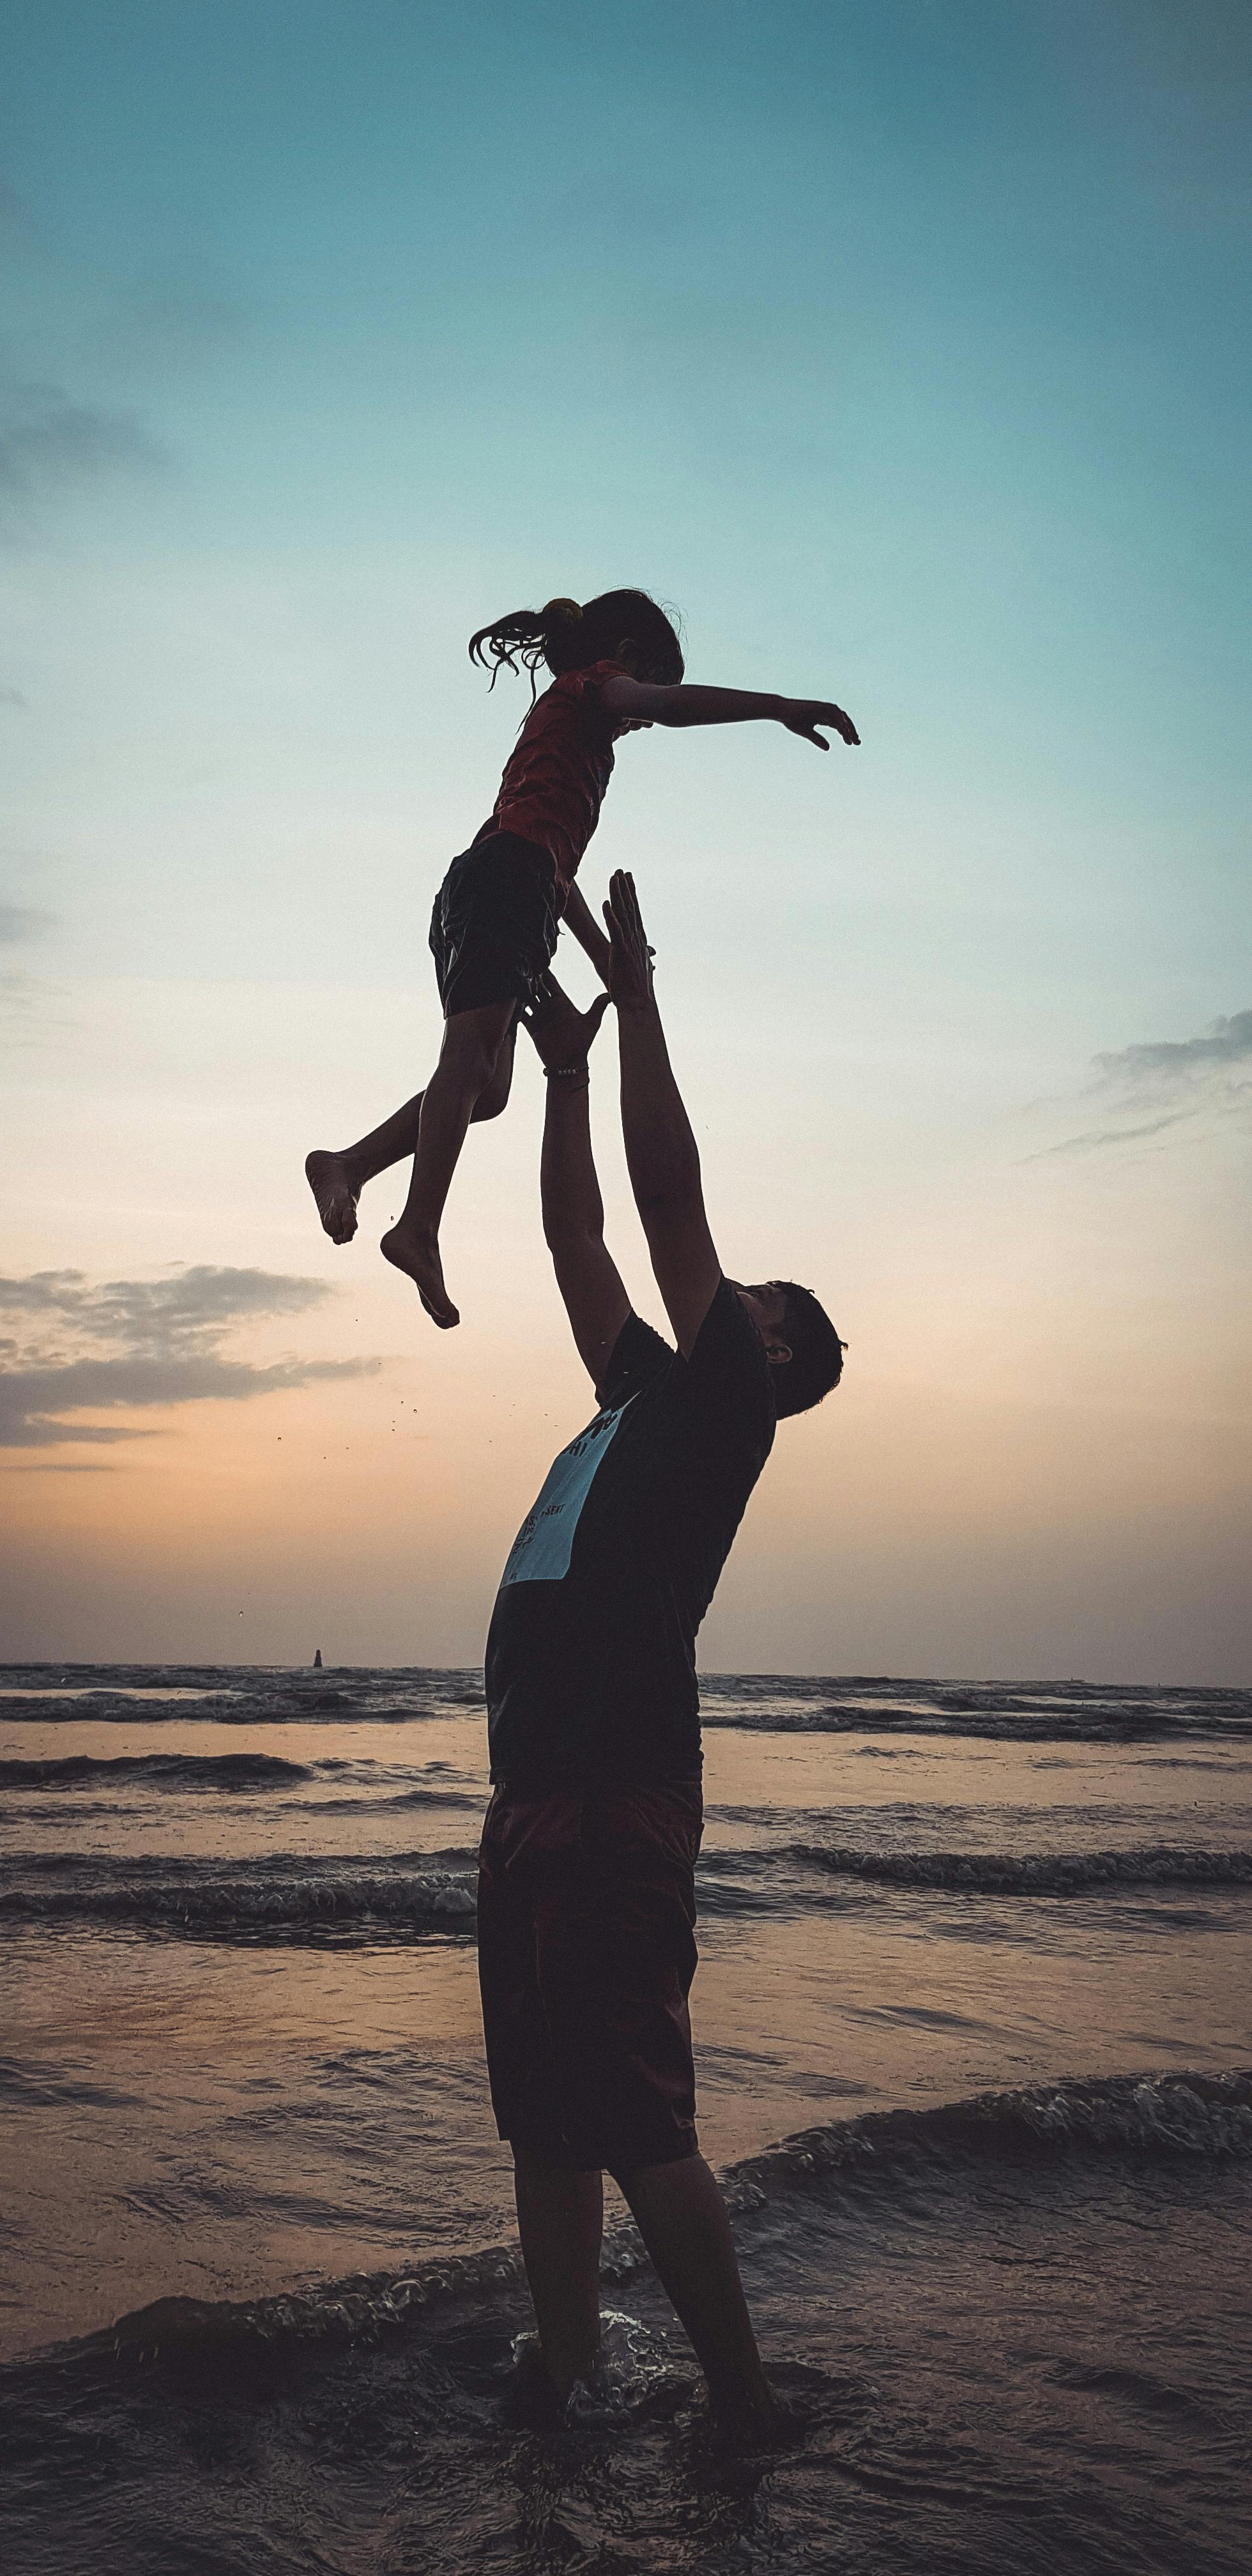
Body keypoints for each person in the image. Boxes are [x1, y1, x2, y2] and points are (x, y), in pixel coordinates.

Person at [477, 870, 845, 2441]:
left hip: (619, 1790)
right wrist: (560, 1075)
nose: (725, 1290)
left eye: (752, 1303)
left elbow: (666, 1198)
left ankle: (745, 2401)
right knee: (545, 2125)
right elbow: (581, 1237)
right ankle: (567, 2372)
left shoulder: (731, 1405)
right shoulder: (643, 1394)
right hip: (535, 1787)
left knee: (632, 2114)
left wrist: (638, 1002)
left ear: (772, 1358)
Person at [305, 588, 859, 1328]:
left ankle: (349, 1165)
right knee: (469, 1060)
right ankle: (418, 1226)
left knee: (490, 1090)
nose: (639, 721)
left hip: (497, 885)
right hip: (507, 882)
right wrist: (777, 705)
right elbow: (665, 710)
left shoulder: (562, 748)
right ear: (626, 661)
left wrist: (604, 959)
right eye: (641, 701)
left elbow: (550, 866)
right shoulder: (591, 687)